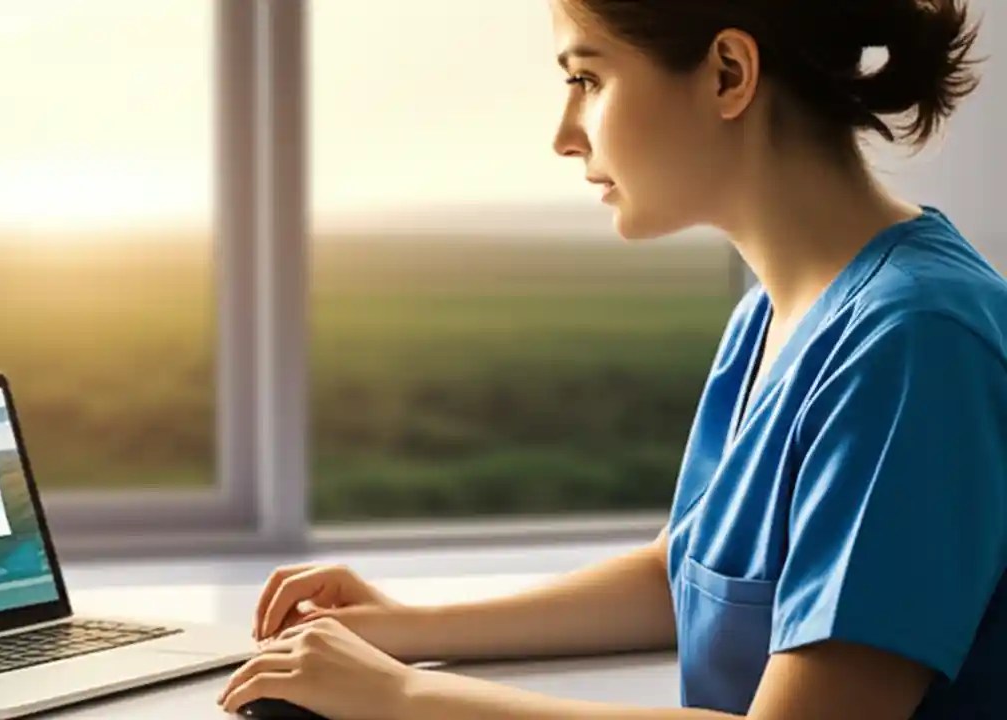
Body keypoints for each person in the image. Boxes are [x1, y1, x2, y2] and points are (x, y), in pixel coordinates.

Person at [217, 0, 1006, 717]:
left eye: (587, 79)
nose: (564, 133)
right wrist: (398, 630)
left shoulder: (916, 345)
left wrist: (402, 697)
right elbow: (686, 577)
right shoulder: (772, 313)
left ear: (729, 74)